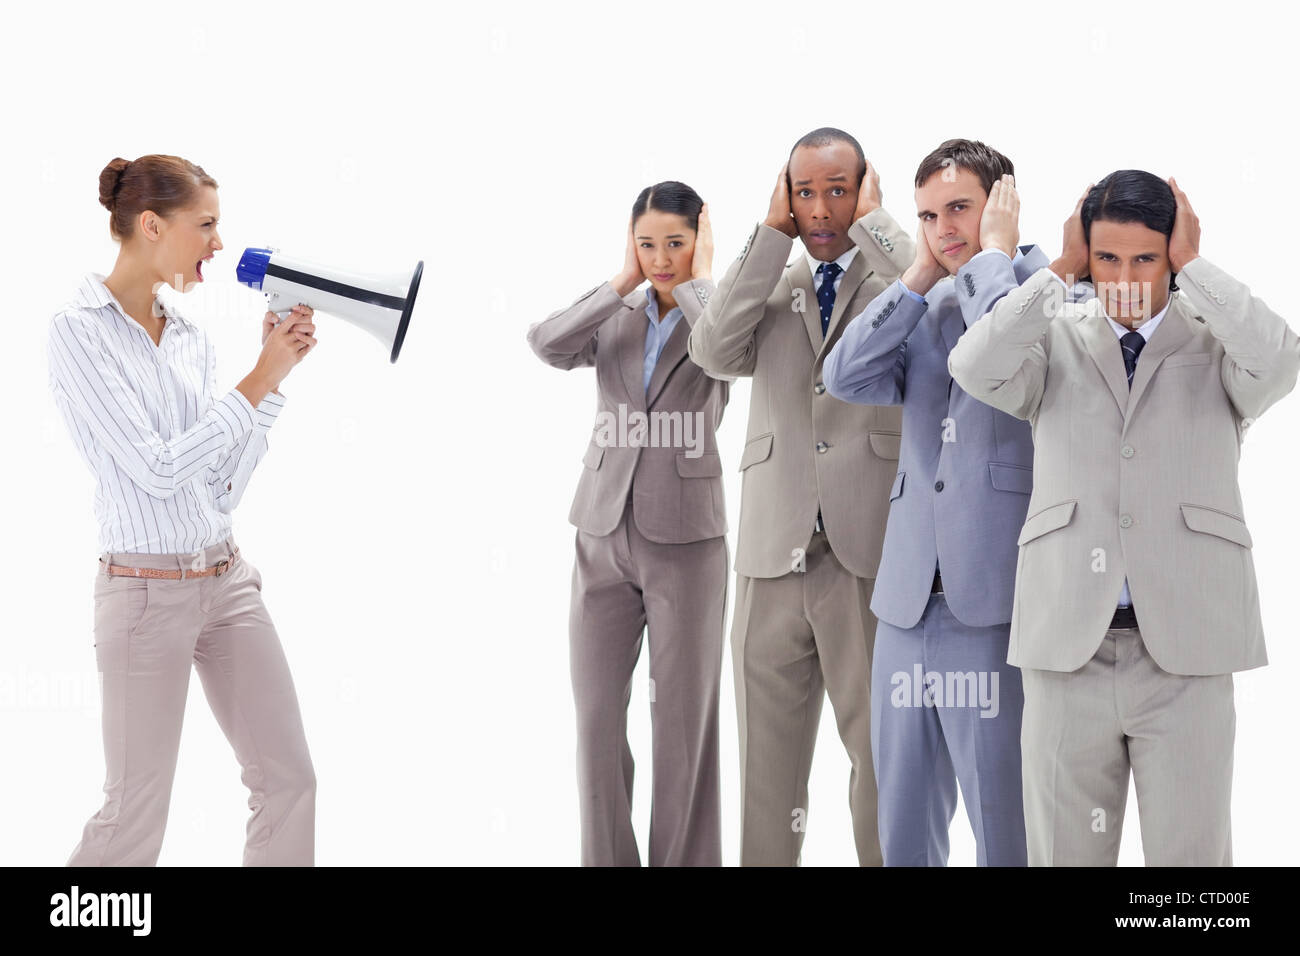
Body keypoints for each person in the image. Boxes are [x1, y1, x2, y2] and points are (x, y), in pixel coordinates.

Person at [948, 170, 1300, 865]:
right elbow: (974, 366)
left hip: (1188, 656)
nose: (1126, 278)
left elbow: (1282, 360)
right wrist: (1059, 272)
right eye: (1106, 258)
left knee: (1190, 876)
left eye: (1146, 258)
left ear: (1172, 254)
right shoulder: (1053, 341)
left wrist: (1197, 267)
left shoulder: (1217, 345)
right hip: (1064, 651)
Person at [48, 154, 319, 866]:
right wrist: (256, 379)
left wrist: (272, 385)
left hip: (227, 583)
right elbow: (157, 470)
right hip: (144, 596)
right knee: (134, 813)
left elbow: (219, 488)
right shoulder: (79, 332)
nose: (218, 246)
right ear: (149, 226)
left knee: (290, 780)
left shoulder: (192, 338)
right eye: (206, 226)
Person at [683, 128, 914, 866]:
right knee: (765, 779)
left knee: (882, 765)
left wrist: (879, 227)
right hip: (769, 553)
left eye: (837, 191)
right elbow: (712, 351)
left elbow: (950, 315)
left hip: (868, 554)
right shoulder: (768, 284)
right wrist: (769, 234)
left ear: (865, 188)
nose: (821, 210)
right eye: (804, 192)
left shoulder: (896, 286)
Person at [824, 139, 1055, 866]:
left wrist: (991, 256)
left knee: (1002, 824)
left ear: (1002, 206)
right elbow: (845, 375)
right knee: (903, 828)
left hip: (990, 607)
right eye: (927, 215)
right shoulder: (922, 308)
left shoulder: (1054, 293)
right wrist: (920, 274)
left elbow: (1013, 361)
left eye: (959, 208)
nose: (943, 227)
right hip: (902, 606)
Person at [526, 182, 730, 866]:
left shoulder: (720, 311)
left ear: (699, 239)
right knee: (595, 721)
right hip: (601, 532)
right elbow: (547, 343)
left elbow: (731, 351)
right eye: (648, 244)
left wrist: (700, 278)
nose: (661, 258)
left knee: (682, 728)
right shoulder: (618, 312)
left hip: (686, 542)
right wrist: (621, 279)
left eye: (675, 242)